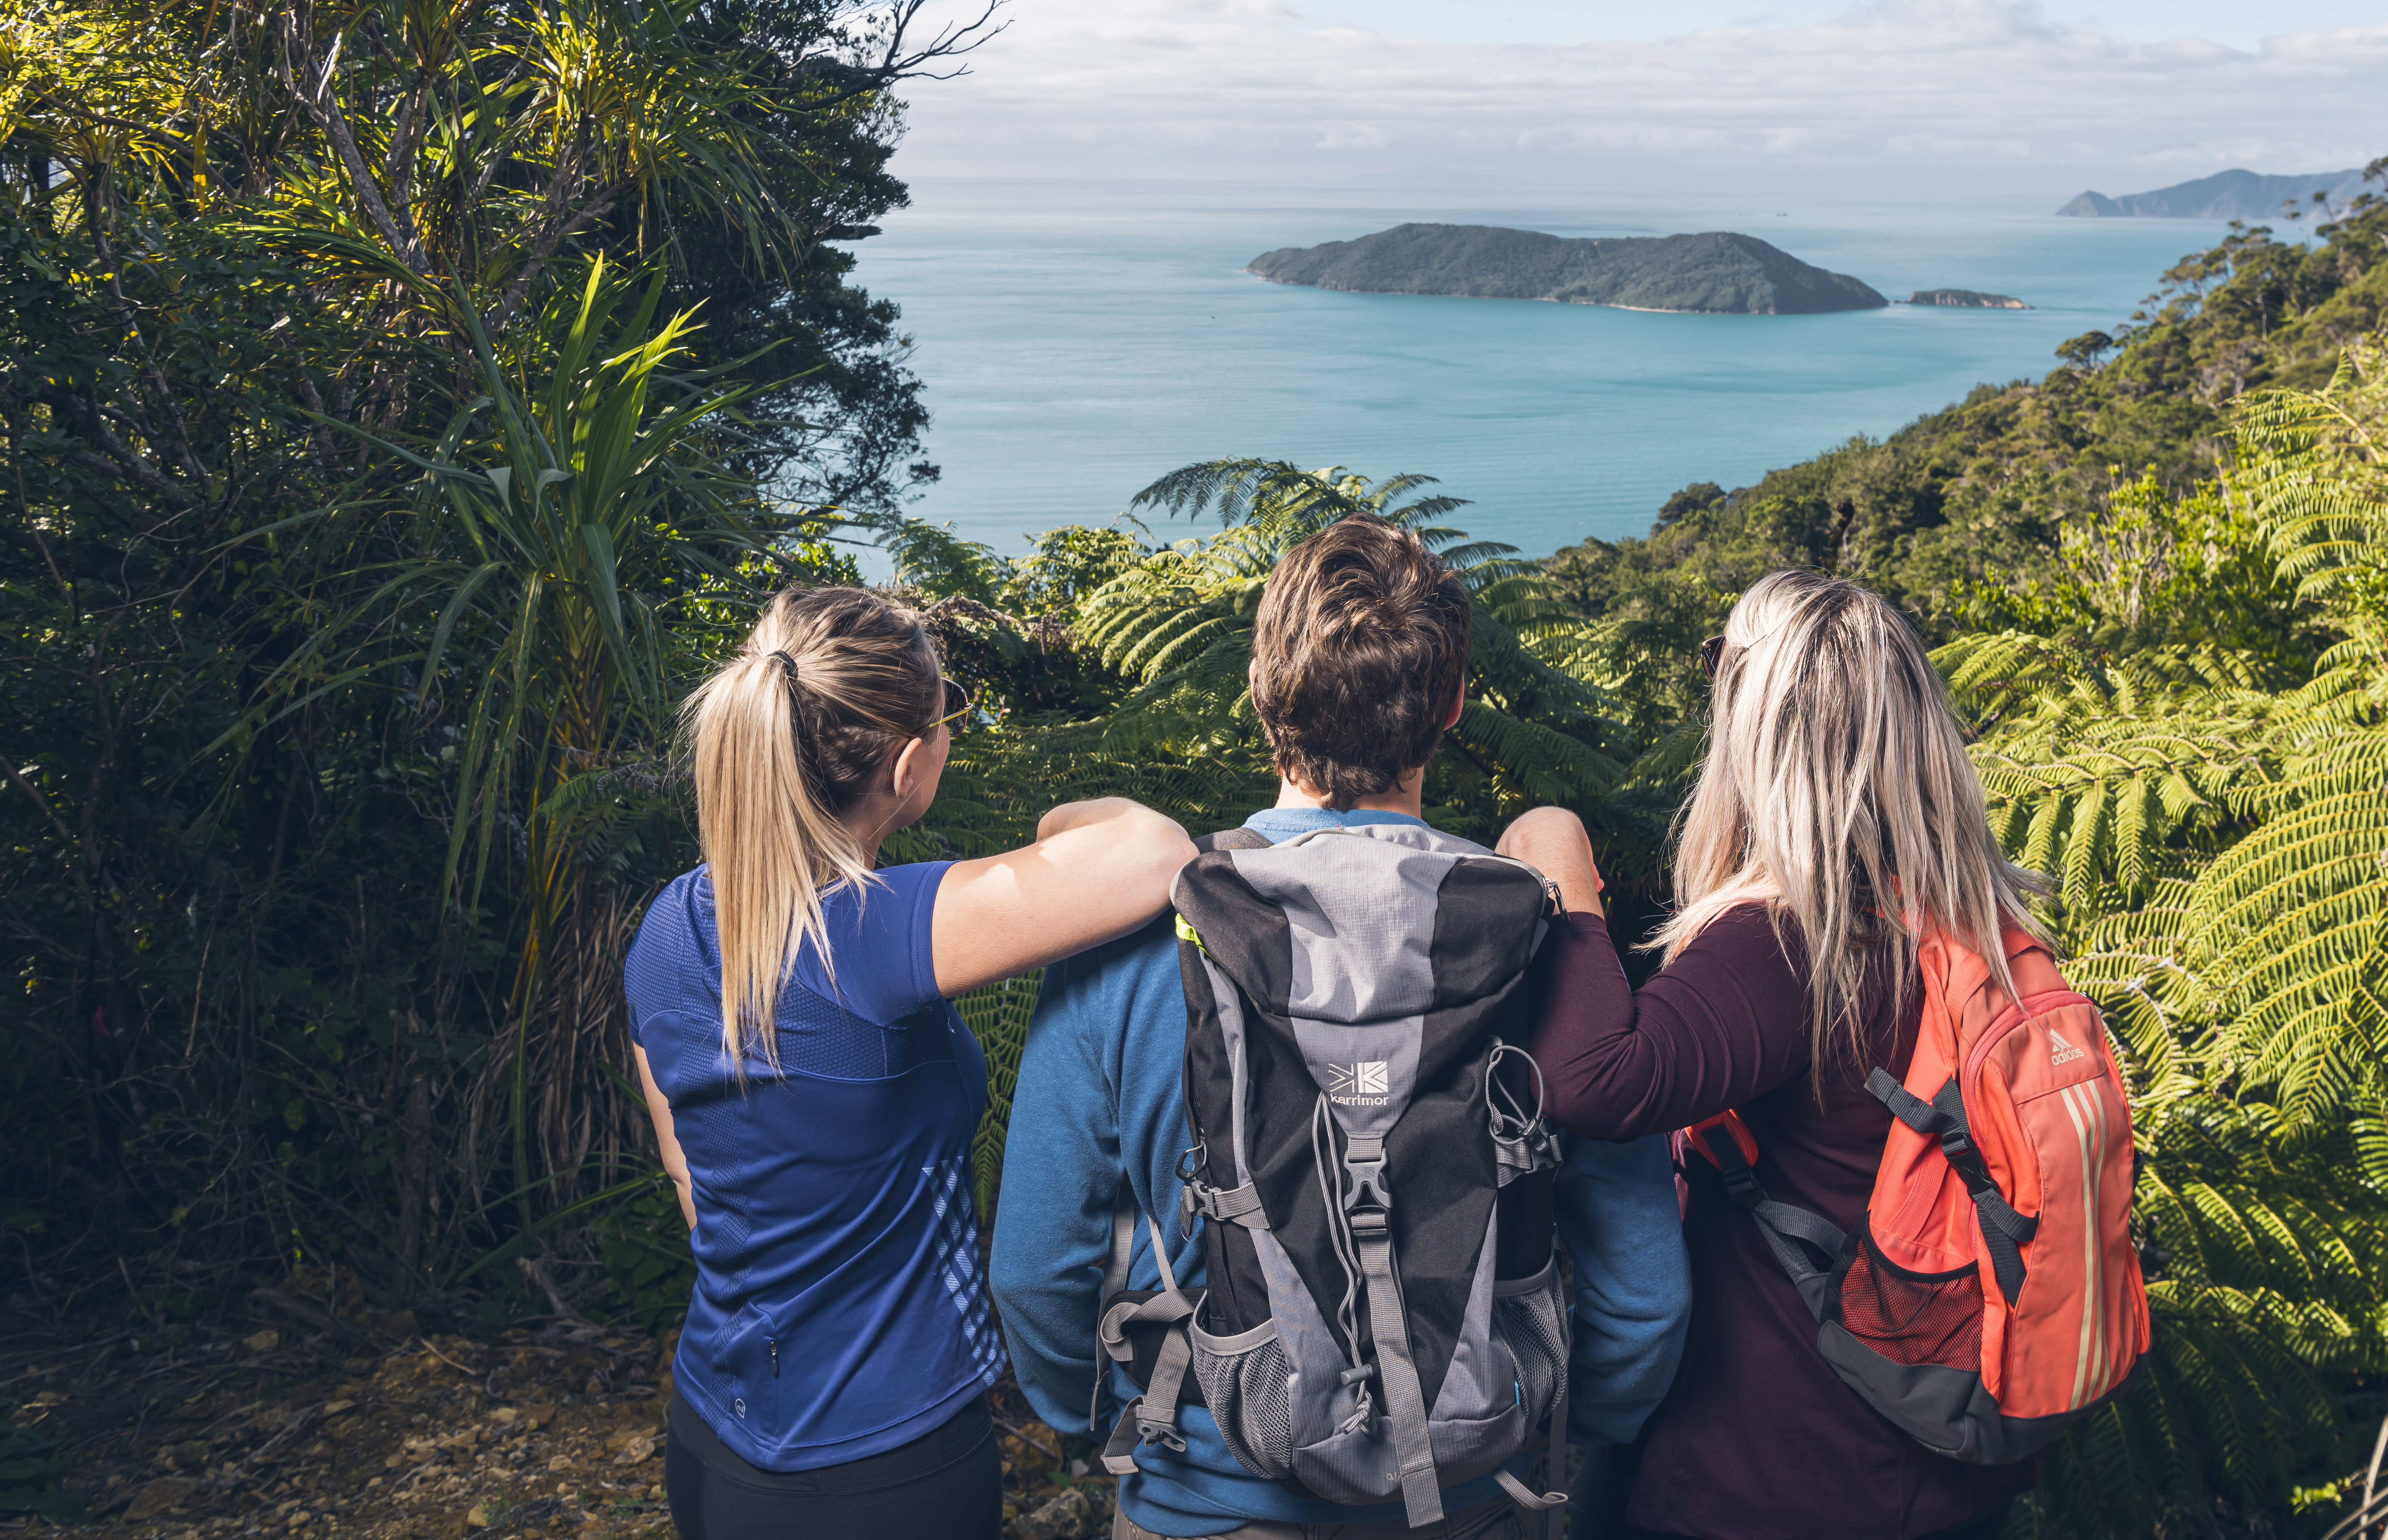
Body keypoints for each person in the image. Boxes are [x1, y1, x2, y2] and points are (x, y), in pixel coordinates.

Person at [990, 515, 1692, 1540]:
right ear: (1453, 706)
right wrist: (1558, 1428)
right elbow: (1646, 1297)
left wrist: (1106, 1423)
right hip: (1468, 1506)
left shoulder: (1133, 951)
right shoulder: (1538, 952)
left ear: (1261, 688)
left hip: (1205, 1503)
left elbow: (1035, 1271)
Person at [626, 585, 1201, 1540]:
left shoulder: (670, 924)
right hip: (886, 1465)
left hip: (715, 1435)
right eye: (948, 721)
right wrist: (1060, 819)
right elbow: (1155, 853)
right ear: (907, 763)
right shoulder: (876, 936)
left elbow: (689, 1169)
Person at [1497, 569, 2045, 1540]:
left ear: (1761, 727)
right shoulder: (1967, 923)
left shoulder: (1800, 942)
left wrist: (1560, 866)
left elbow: (1592, 1079)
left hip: (1770, 1473)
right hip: (1941, 1464)